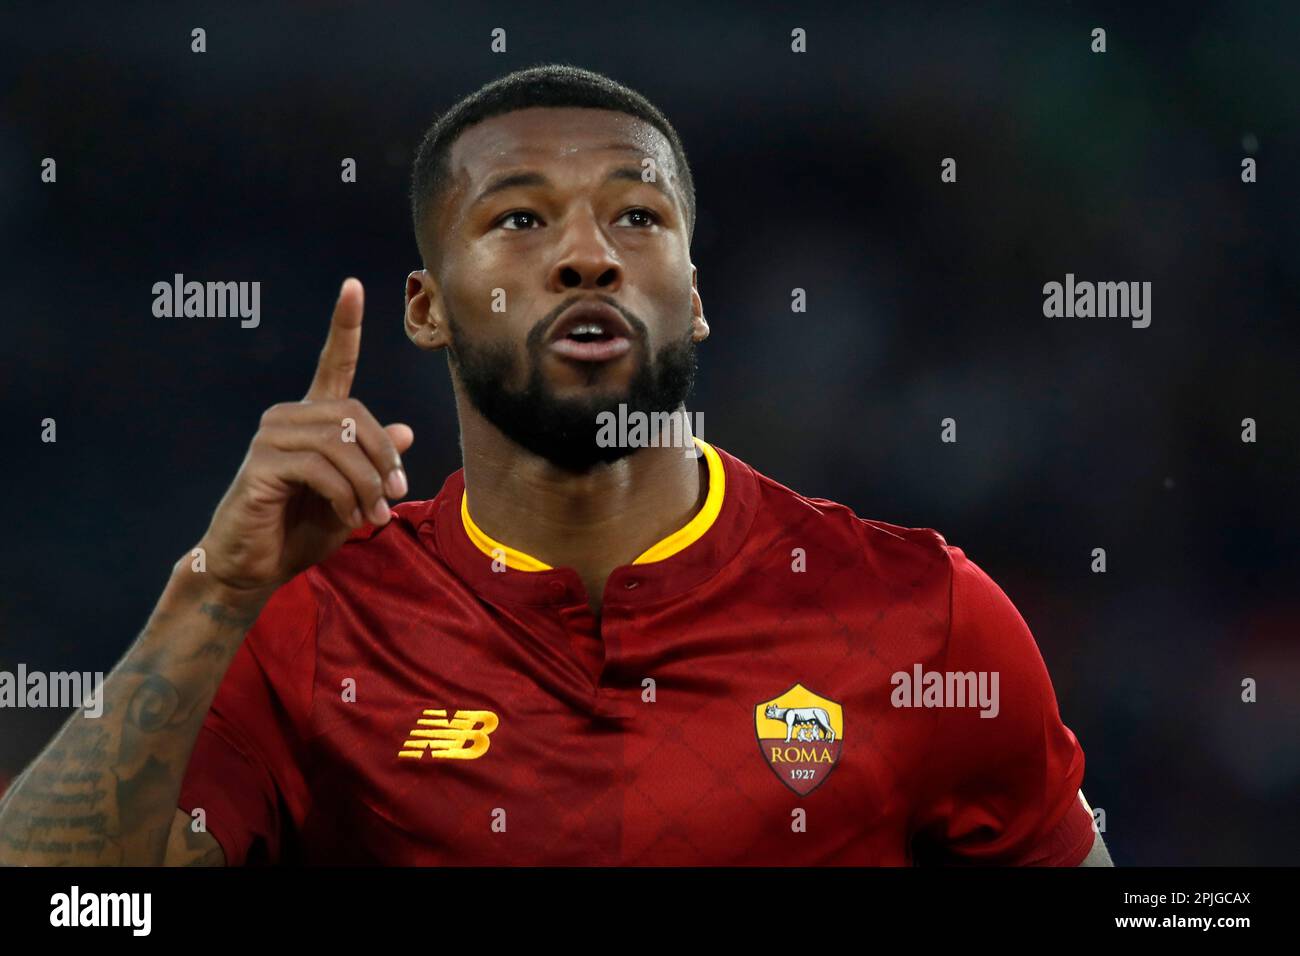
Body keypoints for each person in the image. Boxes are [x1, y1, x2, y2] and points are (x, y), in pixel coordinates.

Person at [0, 64, 1111, 866]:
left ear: (695, 296)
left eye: (637, 215)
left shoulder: (922, 615)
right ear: (427, 309)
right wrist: (212, 593)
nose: (588, 253)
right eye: (521, 218)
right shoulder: (305, 627)